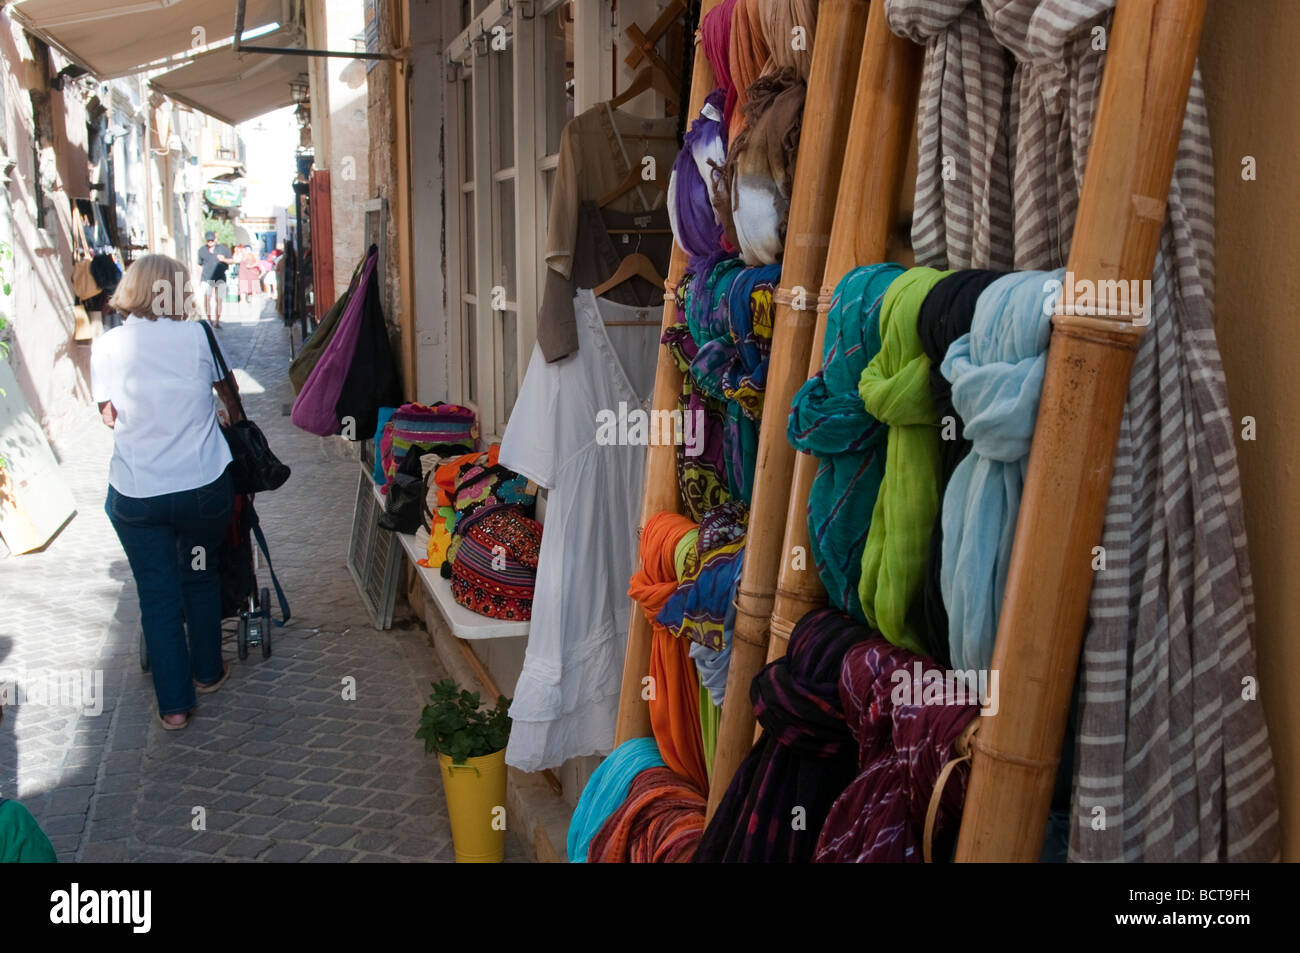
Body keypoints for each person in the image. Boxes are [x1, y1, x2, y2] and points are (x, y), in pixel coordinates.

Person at [91, 254, 240, 730]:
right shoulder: (199, 335)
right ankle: (208, 672)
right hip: (200, 487)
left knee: (156, 593)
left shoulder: (109, 344)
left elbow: (109, 416)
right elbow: (228, 395)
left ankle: (174, 707)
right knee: (199, 572)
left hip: (138, 493)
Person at [197, 232, 232, 327]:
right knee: (207, 299)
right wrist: (199, 280)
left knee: (219, 300)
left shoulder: (222, 249)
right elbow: (199, 265)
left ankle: (217, 321)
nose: (210, 242)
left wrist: (223, 259)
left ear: (215, 240)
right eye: (208, 241)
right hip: (207, 278)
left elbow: (231, 260)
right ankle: (209, 320)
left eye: (212, 240)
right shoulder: (202, 250)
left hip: (220, 277)